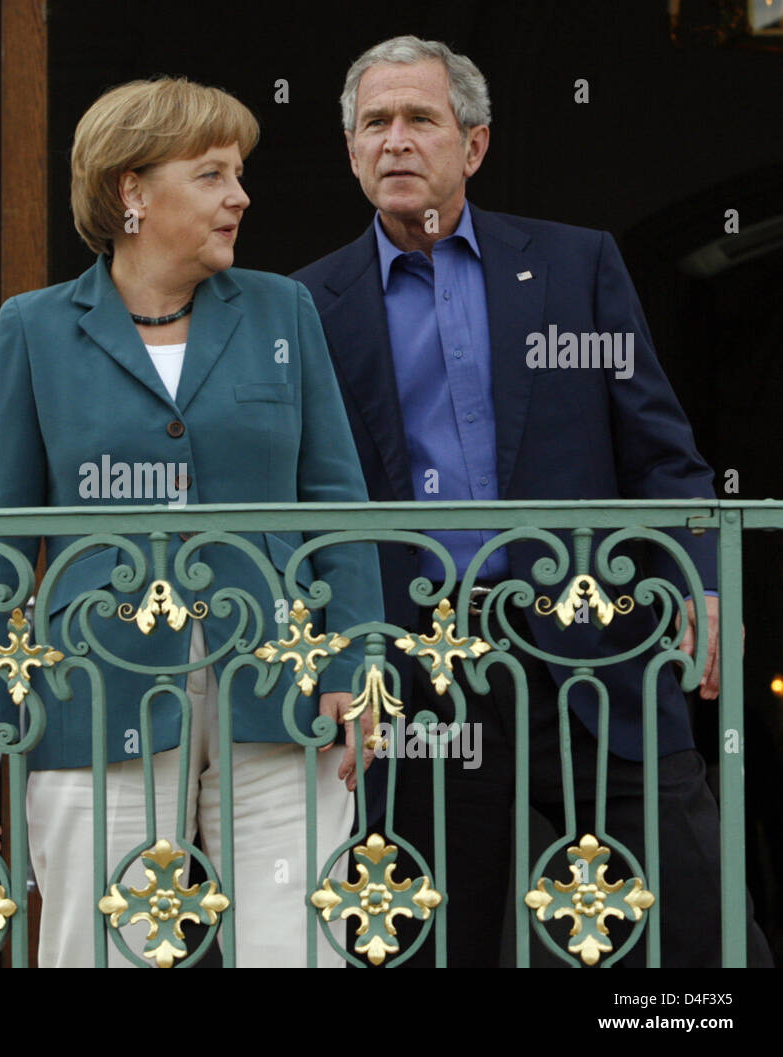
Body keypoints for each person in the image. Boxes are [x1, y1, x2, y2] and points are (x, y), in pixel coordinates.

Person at [293, 35, 771, 966]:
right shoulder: (306, 304)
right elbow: (302, 504)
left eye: (419, 119)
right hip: (420, 683)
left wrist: (708, 584)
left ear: (472, 145)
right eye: (374, 124)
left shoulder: (572, 266)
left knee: (698, 942)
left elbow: (665, 460)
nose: (396, 141)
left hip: (599, 652)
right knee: (429, 943)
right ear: (350, 151)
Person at [0, 78, 383, 968]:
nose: (241, 196)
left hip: (277, 682)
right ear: (133, 192)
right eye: (214, 175)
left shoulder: (281, 312)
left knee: (295, 945)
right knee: (103, 947)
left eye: (239, 174)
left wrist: (354, 658)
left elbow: (336, 500)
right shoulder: (33, 330)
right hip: (94, 688)